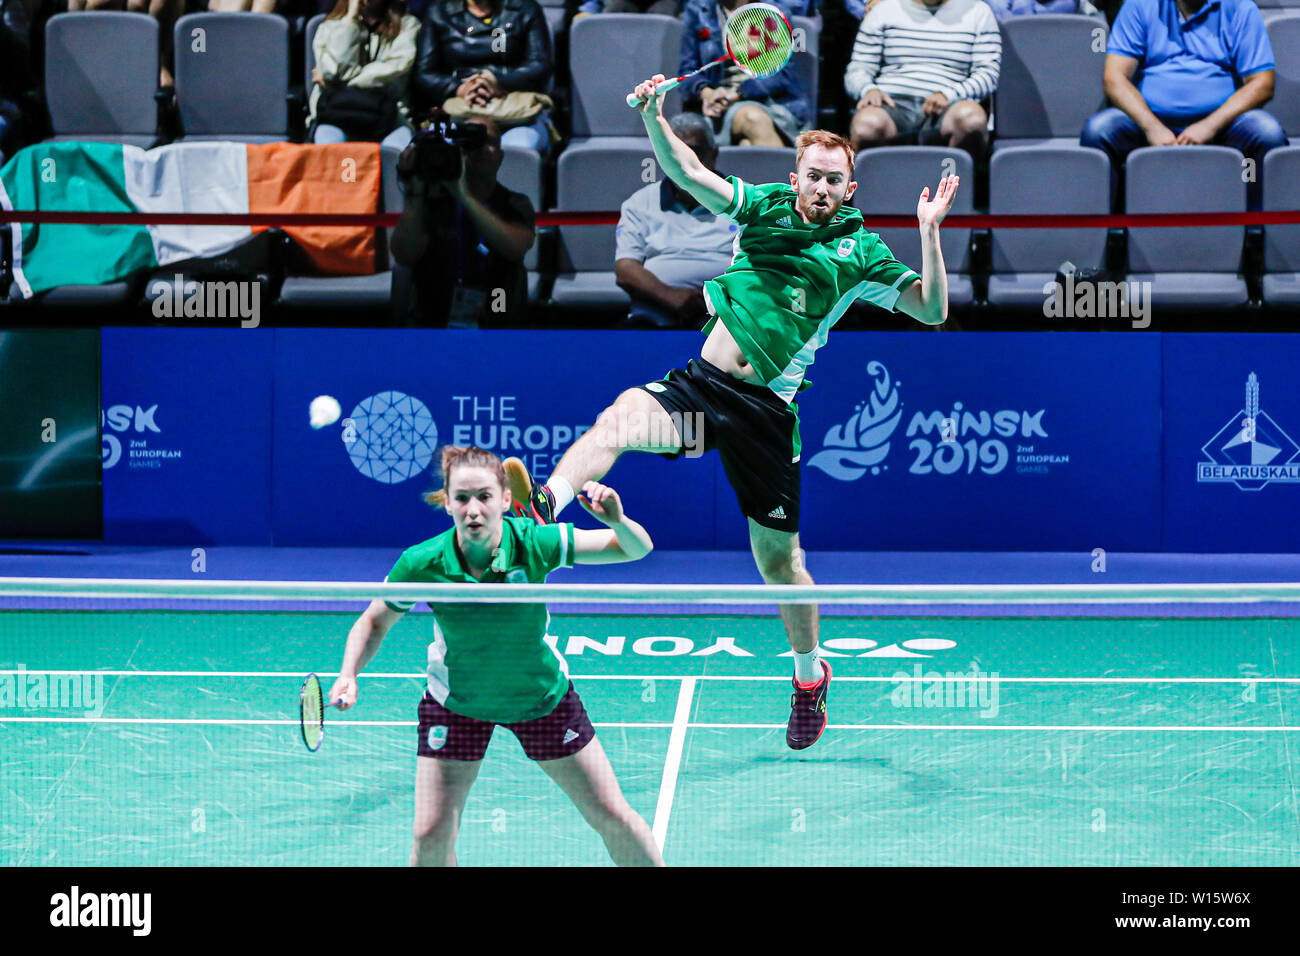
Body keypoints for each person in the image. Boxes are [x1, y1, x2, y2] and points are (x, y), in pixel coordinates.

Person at [506, 74, 957, 751]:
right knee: (621, 419)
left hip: (768, 415)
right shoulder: (763, 206)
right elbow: (687, 172)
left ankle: (810, 679)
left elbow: (932, 310)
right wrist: (654, 114)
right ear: (795, 176)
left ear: (850, 189)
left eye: (836, 181)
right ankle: (545, 507)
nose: (823, 190)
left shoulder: (860, 252)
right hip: (703, 391)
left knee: (780, 564)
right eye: (814, 177)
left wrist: (928, 234)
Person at [330, 446, 664, 867]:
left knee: (612, 815)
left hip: (541, 701)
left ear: (506, 500)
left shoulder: (535, 542)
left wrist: (618, 521)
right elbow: (374, 621)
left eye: (485, 497)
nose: (473, 509)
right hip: (458, 706)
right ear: (447, 501)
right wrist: (349, 673)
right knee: (430, 835)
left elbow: (635, 549)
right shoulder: (422, 562)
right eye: (462, 497)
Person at [1079, 0, 1285, 213]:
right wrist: (1152, 127)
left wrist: (1209, 126)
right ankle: (1109, 234)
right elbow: (1114, 78)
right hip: (1147, 122)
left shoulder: (1240, 8)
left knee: (1266, 132)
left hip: (1222, 124)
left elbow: (1262, 84)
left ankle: (1256, 232)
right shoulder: (1139, 5)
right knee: (1099, 130)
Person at [390, 116, 535, 327]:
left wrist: (464, 196)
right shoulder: (430, 200)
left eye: (489, 141)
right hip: (434, 318)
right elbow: (404, 255)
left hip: (497, 311)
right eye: (470, 141)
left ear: (501, 157)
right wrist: (415, 193)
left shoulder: (515, 202)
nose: (480, 148)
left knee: (501, 307)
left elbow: (515, 248)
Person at [615, 112, 737, 329]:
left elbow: (760, 263)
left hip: (728, 313)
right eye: (676, 152)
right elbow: (625, 269)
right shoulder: (640, 202)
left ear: (714, 154)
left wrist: (719, 299)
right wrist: (671, 296)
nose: (687, 161)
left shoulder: (740, 200)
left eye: (697, 152)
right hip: (655, 312)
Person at [844, 0, 999, 161]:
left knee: (972, 119)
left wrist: (950, 95)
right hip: (891, 104)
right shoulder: (883, 10)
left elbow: (988, 74)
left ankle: (957, 184)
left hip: (950, 105)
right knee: (866, 124)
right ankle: (877, 184)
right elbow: (858, 69)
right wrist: (868, 90)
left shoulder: (979, 12)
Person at [415, 0, 555, 154]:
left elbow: (540, 65)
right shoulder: (438, 12)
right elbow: (425, 73)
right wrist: (460, 88)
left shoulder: (526, 9)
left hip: (516, 113)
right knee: (440, 150)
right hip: (460, 111)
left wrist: (497, 82)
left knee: (518, 149)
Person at [678, 0, 809, 147]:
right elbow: (687, 72)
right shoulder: (698, 11)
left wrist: (738, 95)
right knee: (753, 121)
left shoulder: (774, 11)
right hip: (718, 107)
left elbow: (783, 73)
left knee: (748, 136)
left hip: (770, 102)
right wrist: (708, 93)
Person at [309, 0, 421, 150]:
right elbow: (334, 70)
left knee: (396, 154)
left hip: (390, 118)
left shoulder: (407, 25)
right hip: (336, 114)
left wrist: (338, 84)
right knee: (331, 150)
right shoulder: (329, 26)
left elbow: (396, 68)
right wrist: (350, 20)